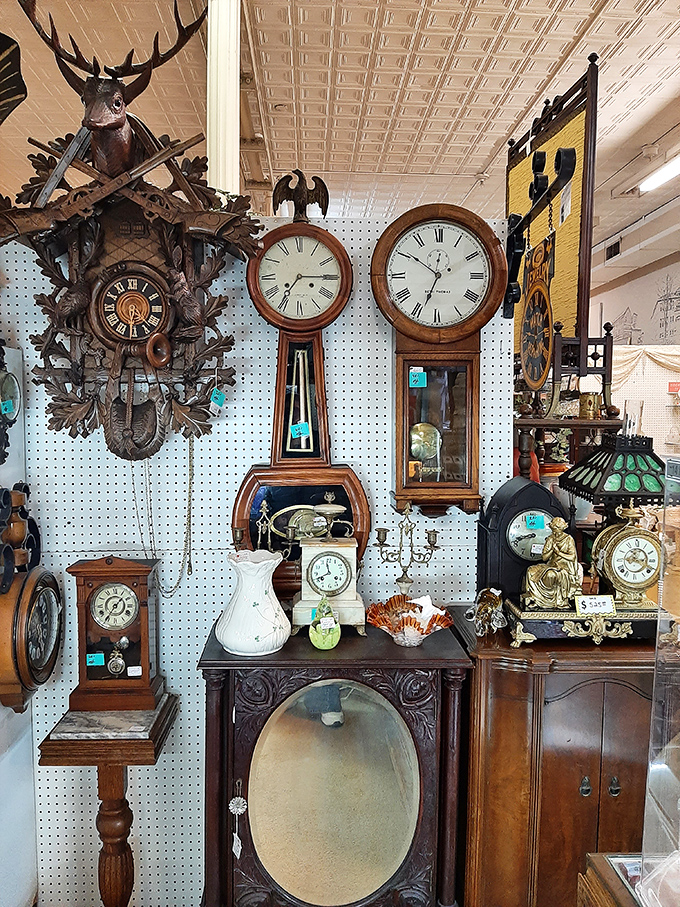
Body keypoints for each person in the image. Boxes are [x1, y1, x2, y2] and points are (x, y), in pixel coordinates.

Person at [521, 517, 581, 610]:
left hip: (564, 568)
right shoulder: (550, 539)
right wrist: (552, 549)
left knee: (550, 575)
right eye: (553, 530)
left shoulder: (568, 539)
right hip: (551, 565)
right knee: (531, 571)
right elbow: (544, 557)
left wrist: (558, 552)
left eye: (557, 531)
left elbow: (572, 557)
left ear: (562, 529)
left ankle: (551, 601)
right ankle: (535, 598)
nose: (555, 533)